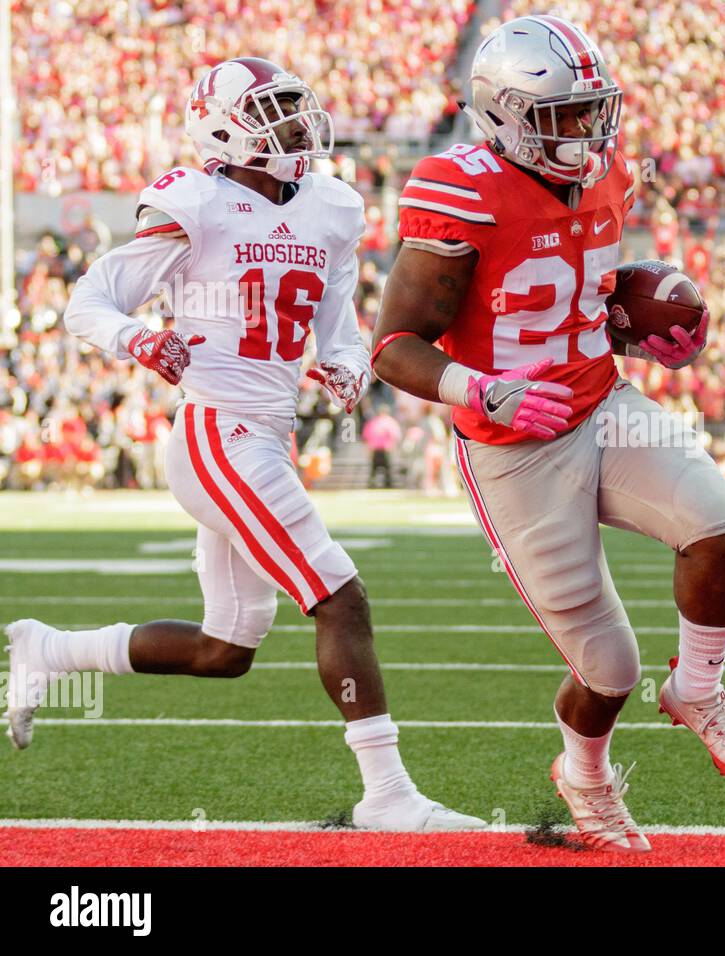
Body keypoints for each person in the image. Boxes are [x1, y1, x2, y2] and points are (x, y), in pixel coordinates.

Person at [11, 57, 482, 832]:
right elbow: (89, 302)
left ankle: (50, 651)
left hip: (267, 432)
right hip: (216, 435)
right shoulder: (195, 202)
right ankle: (388, 794)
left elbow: (335, 311)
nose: (297, 126)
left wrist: (344, 358)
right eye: (275, 112)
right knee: (341, 597)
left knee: (225, 649)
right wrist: (139, 339)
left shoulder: (330, 204)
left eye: (296, 109)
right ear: (225, 128)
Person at [370, 16, 725, 853]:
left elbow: (583, 296)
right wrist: (484, 389)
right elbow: (394, 347)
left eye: (594, 110)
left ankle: (698, 689)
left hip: (599, 400)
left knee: (720, 525)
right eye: (566, 115)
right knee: (610, 671)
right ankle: (584, 778)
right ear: (504, 115)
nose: (588, 132)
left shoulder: (610, 170)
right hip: (513, 443)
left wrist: (642, 327)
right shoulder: (459, 189)